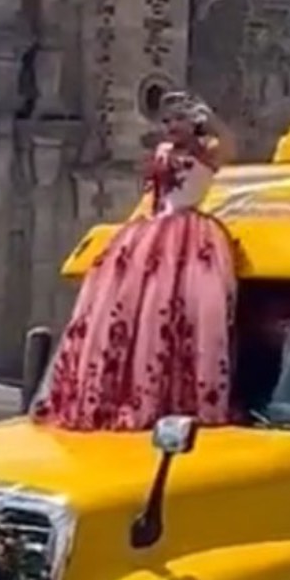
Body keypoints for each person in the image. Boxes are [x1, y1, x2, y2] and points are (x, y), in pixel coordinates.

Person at [37, 93, 239, 431]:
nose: (172, 126)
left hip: (190, 232)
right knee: (131, 308)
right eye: (167, 120)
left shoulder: (206, 152)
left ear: (194, 122)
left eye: (179, 119)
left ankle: (178, 393)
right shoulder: (161, 153)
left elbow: (231, 148)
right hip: (154, 230)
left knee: (184, 312)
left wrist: (213, 119)